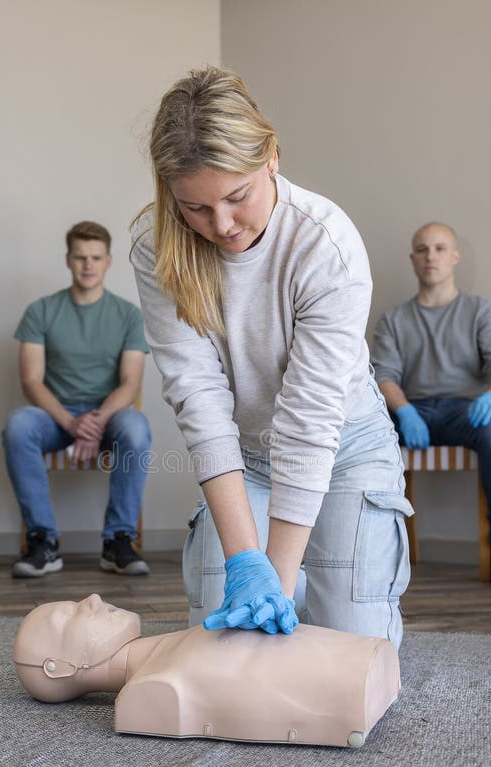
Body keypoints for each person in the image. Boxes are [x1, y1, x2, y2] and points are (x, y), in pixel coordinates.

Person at [130, 66, 412, 646]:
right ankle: (295, 577)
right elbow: (198, 400)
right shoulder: (155, 250)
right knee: (224, 644)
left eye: (237, 197)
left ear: (272, 157)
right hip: (244, 458)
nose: (222, 226)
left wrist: (275, 586)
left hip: (344, 447)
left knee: (350, 649)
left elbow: (310, 421)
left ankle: (310, 583)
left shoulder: (325, 243)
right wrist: (245, 564)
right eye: (195, 208)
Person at [371, 221, 491, 589]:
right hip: (409, 411)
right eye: (422, 249)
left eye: (440, 248)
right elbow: (383, 375)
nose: (430, 256)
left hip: (465, 412)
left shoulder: (481, 311)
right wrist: (404, 411)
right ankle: (371, 548)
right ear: (413, 259)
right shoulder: (393, 321)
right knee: (361, 434)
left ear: (455, 257)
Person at [13, 594, 401, 748]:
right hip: (355, 683)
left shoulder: (169, 652)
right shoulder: (152, 687)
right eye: (70, 615)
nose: (93, 599)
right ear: (57, 668)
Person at [2, 220, 152, 578]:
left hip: (109, 416)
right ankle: (43, 541)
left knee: (136, 426)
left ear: (108, 261)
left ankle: (118, 541)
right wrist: (71, 423)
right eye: (81, 257)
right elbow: (31, 382)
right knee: (18, 425)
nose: (88, 265)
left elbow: (130, 383)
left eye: (96, 257)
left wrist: (96, 421)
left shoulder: (128, 315)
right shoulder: (41, 311)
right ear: (68, 259)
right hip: (56, 418)